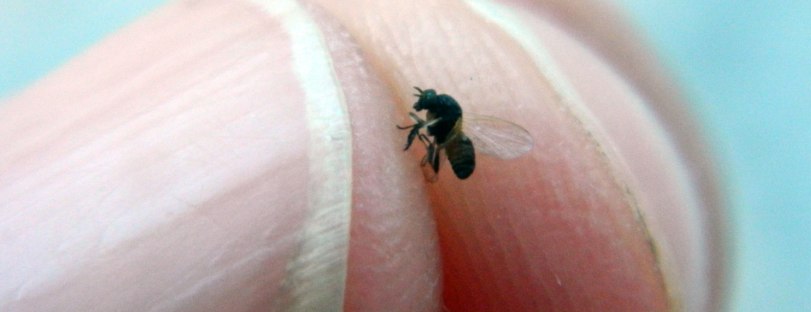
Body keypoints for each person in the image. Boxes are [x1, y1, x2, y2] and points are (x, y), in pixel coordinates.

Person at [0, 0, 725, 311]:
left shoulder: (436, 124)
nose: (424, 106)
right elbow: (452, 131)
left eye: (427, 108)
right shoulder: (438, 117)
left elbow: (448, 140)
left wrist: (433, 150)